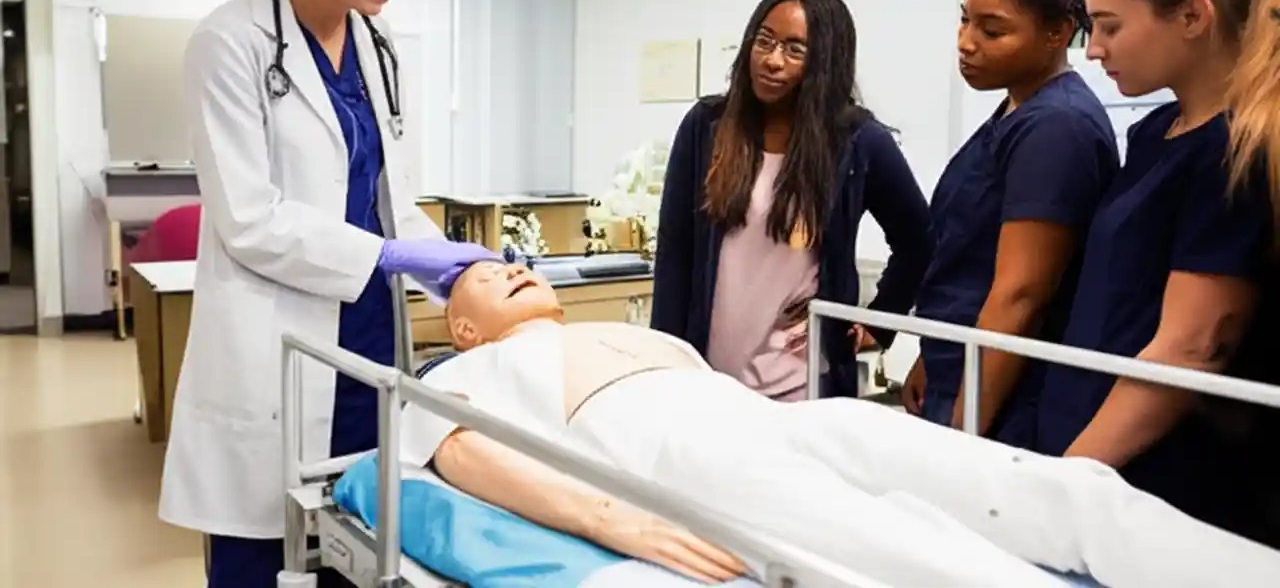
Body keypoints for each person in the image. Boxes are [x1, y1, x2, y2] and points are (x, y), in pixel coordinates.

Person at [402, 259, 1280, 588]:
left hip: (781, 421)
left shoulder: (641, 333)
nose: (510, 268)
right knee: (902, 546)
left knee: (1044, 485)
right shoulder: (466, 371)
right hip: (678, 458)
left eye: (511, 262)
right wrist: (610, 519)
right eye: (482, 278)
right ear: (462, 328)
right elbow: (465, 456)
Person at [157, 0, 496, 586]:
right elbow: (249, 219)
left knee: (357, 550)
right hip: (274, 348)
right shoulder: (229, 42)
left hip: (369, 344)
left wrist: (454, 264)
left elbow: (388, 196)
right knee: (262, 557)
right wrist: (390, 254)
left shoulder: (378, 44)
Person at [1035, 0, 1280, 548]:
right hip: (1093, 446)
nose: (1094, 50)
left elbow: (1192, 349)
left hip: (1163, 481)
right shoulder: (1156, 133)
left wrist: (1064, 480)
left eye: (1109, 27)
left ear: (1193, 15)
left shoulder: (1238, 151)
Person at [651, 0, 933, 401]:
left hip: (800, 384)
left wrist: (879, 323)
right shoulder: (707, 126)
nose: (772, 60)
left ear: (824, 62)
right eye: (764, 41)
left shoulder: (858, 141)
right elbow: (675, 251)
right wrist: (663, 364)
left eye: (794, 49)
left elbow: (920, 241)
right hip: (707, 380)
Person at [908, 0, 1120, 446]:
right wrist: (931, 355)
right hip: (959, 364)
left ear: (1058, 33)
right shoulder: (1017, 110)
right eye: (965, 20)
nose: (966, 42)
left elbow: (1020, 296)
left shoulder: (1056, 127)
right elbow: (969, 259)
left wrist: (965, 427)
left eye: (992, 30)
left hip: (1006, 395)